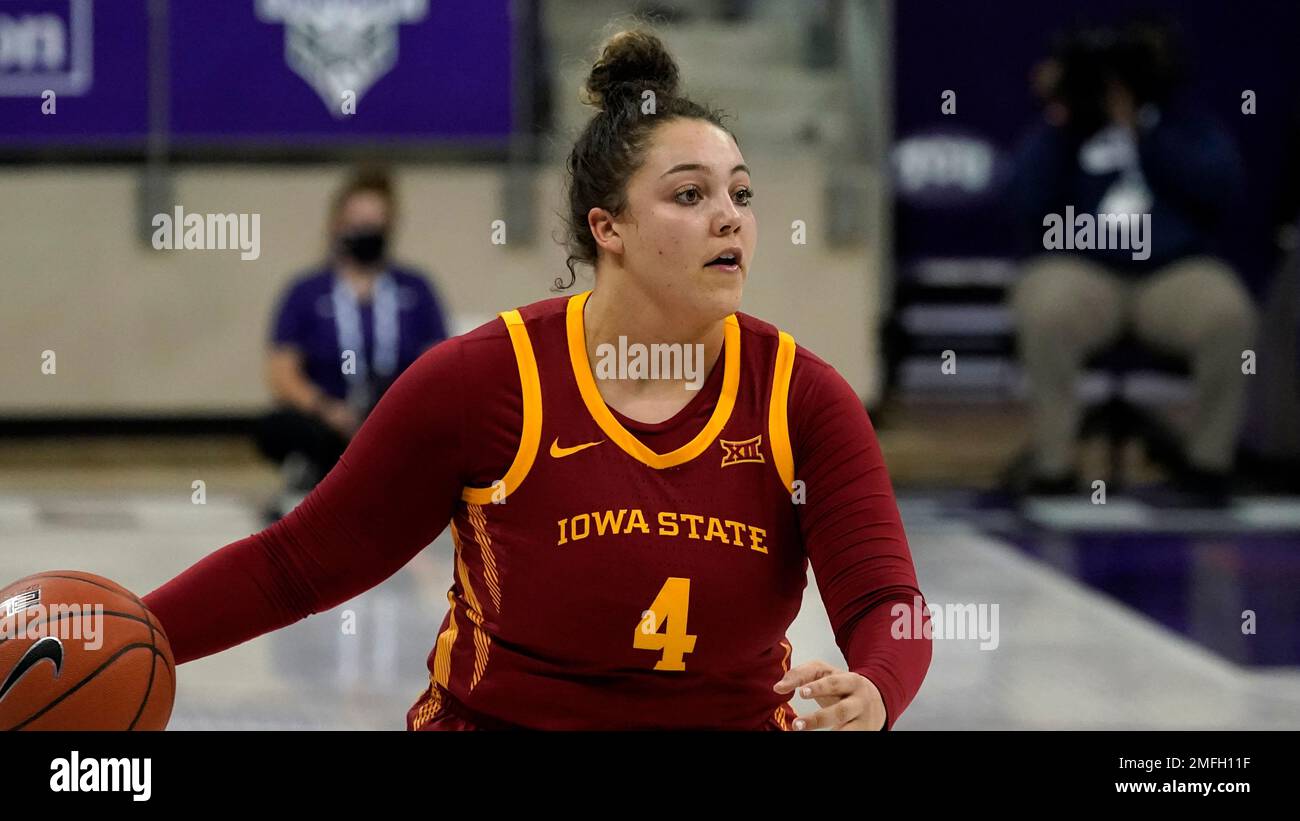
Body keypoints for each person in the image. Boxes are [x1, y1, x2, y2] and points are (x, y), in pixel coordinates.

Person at [143, 29, 931, 730]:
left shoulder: (804, 398)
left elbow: (886, 604)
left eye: (742, 194)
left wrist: (877, 687)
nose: (730, 216)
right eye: (690, 194)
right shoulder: (485, 380)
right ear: (608, 227)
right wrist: (131, 636)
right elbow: (297, 564)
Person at [1006, 19, 1258, 505]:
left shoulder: (1184, 124)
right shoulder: (1063, 127)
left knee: (1228, 313)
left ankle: (1208, 464)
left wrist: (1140, 130)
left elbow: (1220, 190)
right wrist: (1061, 114)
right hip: (1082, 267)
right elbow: (1023, 203)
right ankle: (1053, 465)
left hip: (1170, 271)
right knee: (1045, 305)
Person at [256, 168, 449, 505]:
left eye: (376, 222)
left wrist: (399, 411)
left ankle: (395, 472)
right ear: (337, 225)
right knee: (278, 427)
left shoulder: (414, 288)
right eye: (358, 221)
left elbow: (440, 362)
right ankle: (319, 474)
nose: (367, 231)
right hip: (327, 417)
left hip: (394, 413)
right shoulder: (306, 290)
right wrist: (326, 408)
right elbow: (281, 372)